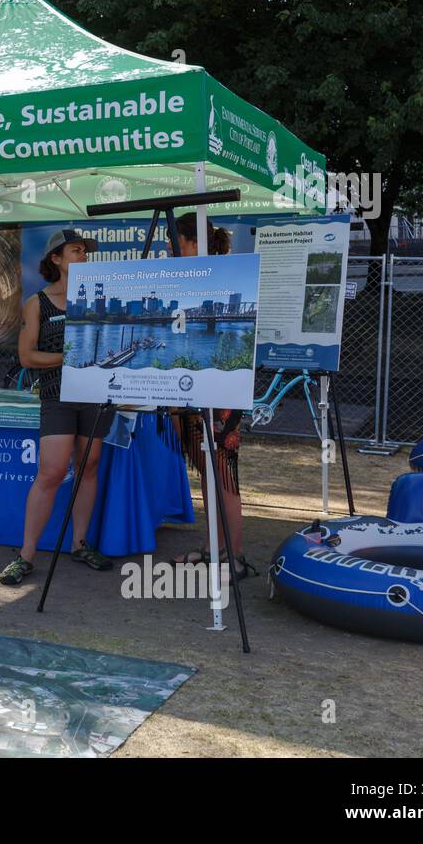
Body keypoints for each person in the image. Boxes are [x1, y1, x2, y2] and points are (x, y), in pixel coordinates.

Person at [0, 228, 114, 585]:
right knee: (50, 472)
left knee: (89, 467)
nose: (83, 256)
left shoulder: (100, 297)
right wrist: (70, 358)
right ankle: (26, 555)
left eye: (85, 251)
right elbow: (26, 356)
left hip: (96, 395)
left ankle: (80, 544)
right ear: (56, 258)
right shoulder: (38, 303)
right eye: (76, 251)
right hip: (57, 396)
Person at [171, 214, 258, 578]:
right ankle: (213, 549)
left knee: (223, 474)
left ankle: (234, 557)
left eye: (172, 241)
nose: (168, 249)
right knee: (208, 473)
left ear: (191, 242)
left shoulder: (222, 275)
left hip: (220, 395)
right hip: (190, 394)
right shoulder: (187, 279)